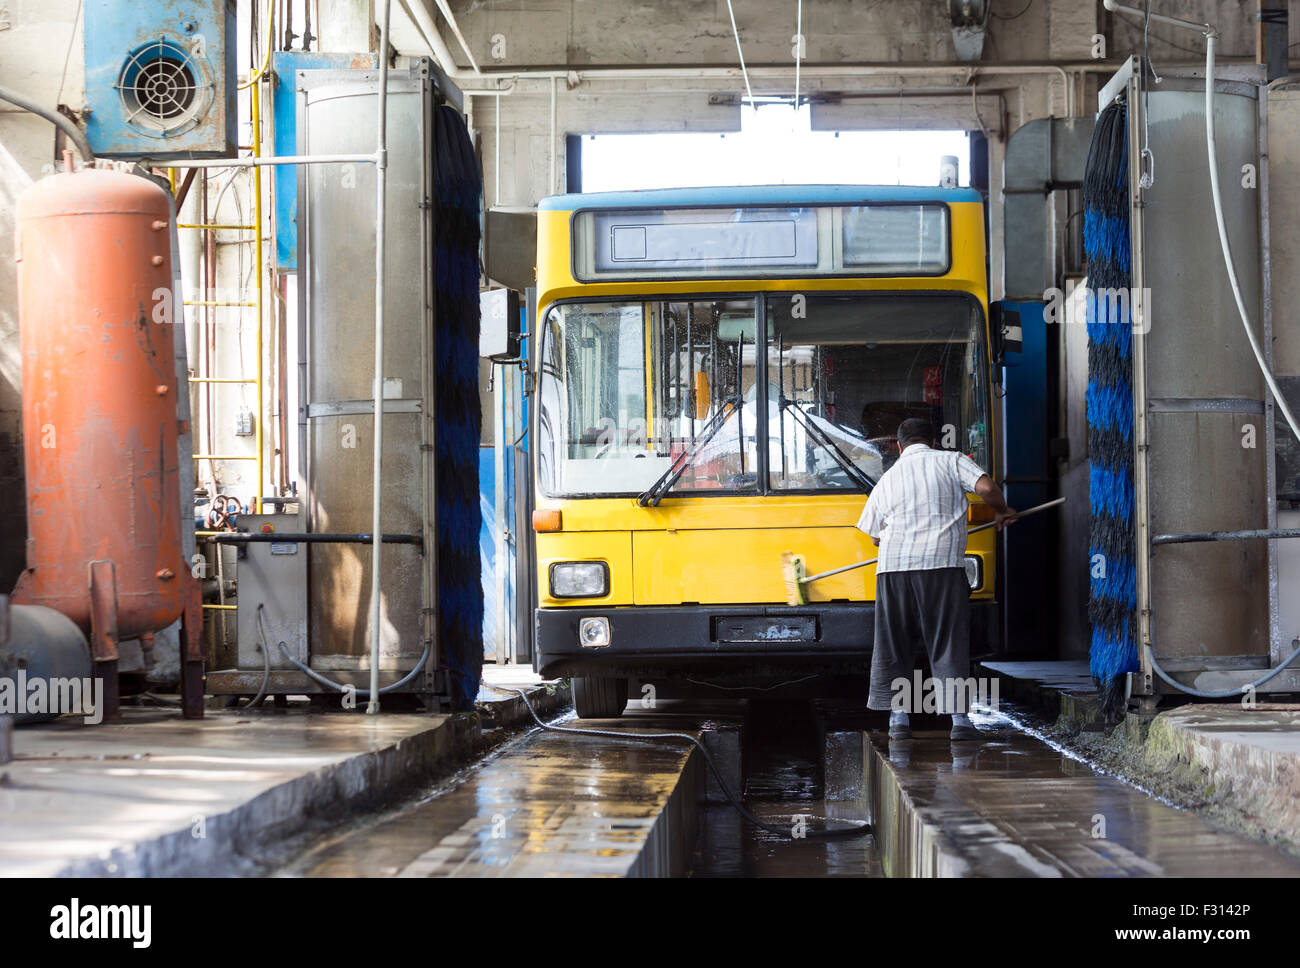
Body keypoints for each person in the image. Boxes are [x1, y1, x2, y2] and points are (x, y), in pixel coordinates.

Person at [855, 418, 1017, 740]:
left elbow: (873, 535)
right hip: (941, 565)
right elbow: (986, 488)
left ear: (899, 446)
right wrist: (1001, 510)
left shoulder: (887, 479)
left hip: (893, 569)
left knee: (894, 643)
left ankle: (898, 720)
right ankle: (958, 721)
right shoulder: (951, 460)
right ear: (933, 440)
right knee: (947, 640)